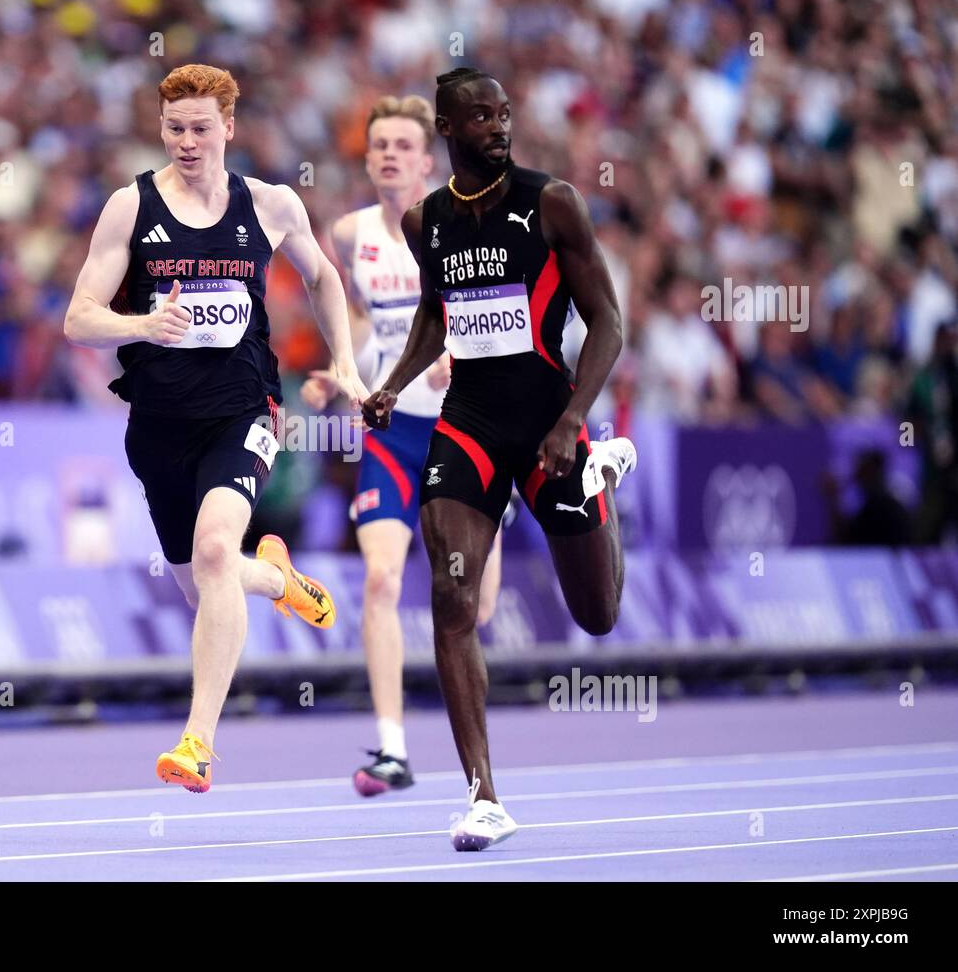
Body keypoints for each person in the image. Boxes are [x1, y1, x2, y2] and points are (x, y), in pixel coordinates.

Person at [64, 64, 368, 793]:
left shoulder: (269, 205)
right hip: (158, 426)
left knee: (210, 550)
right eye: (174, 129)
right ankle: (276, 578)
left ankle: (197, 743)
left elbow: (324, 278)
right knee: (204, 581)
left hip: (244, 412)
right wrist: (143, 323)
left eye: (201, 128)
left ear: (230, 126)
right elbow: (78, 318)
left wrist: (347, 365)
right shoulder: (129, 208)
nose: (187, 142)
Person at [363, 68, 638, 850]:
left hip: (553, 420)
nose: (498, 125)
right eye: (480, 116)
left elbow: (608, 322)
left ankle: (602, 470)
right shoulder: (428, 222)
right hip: (470, 425)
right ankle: (484, 795)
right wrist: (391, 385)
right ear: (449, 128)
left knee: (598, 616)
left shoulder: (552, 202)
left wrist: (577, 419)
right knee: (450, 599)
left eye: (504, 112)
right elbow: (433, 314)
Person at [301, 95, 508, 797]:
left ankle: (495, 516)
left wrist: (463, 357)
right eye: (378, 144)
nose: (389, 154)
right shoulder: (349, 233)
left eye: (402, 145)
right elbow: (357, 325)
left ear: (428, 160)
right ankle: (392, 749)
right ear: (368, 159)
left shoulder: (464, 227)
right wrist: (338, 375)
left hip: (464, 430)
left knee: (473, 607)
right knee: (383, 580)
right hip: (390, 436)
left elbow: (503, 322)